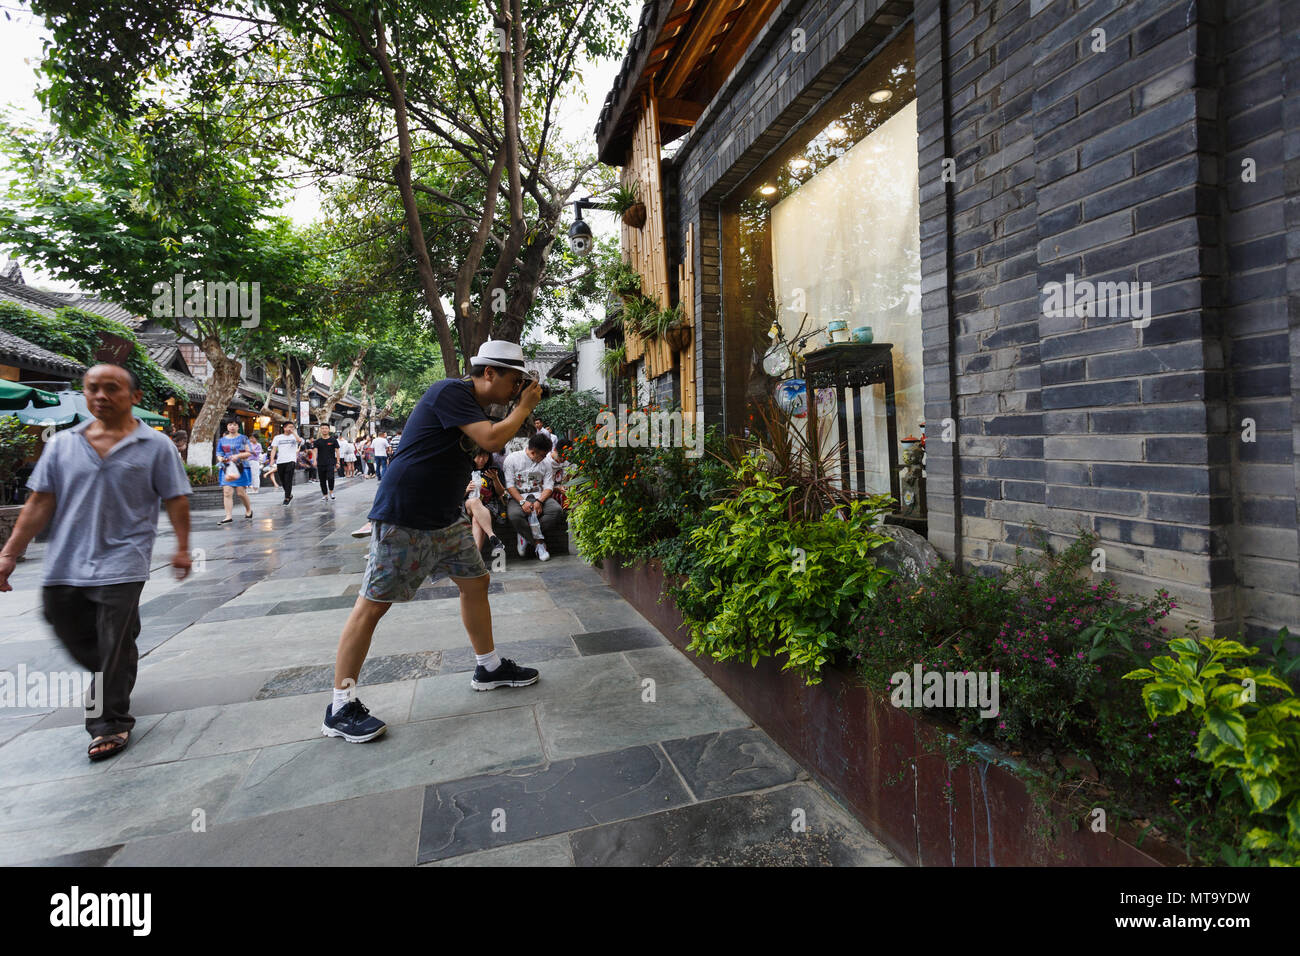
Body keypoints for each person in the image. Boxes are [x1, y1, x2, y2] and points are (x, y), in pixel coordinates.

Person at [322, 340, 544, 743]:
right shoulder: (451, 391)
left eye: (521, 385)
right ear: (489, 372)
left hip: (445, 516)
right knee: (372, 605)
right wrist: (524, 407)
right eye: (514, 380)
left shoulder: (471, 406)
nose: (516, 390)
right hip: (405, 513)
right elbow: (492, 441)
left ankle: (489, 667)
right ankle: (339, 706)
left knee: (477, 583)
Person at [0, 364, 191, 761]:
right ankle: (116, 666)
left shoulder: (156, 447)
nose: (101, 396)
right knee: (66, 624)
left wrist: (182, 547)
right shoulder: (61, 444)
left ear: (135, 396)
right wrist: (9, 553)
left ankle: (109, 721)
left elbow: (175, 498)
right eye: (93, 389)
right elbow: (39, 502)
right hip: (64, 562)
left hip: (125, 561)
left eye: (112, 388)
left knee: (112, 645)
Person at [504, 432, 559, 562]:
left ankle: (524, 534)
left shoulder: (546, 463)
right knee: (515, 515)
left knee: (556, 511)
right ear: (533, 452)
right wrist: (522, 502)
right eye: (543, 455)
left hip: (539, 495)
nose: (545, 457)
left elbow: (549, 486)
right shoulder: (512, 459)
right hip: (518, 497)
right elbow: (510, 486)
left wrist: (540, 501)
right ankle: (539, 543)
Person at [463, 448, 506, 559]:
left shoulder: (493, 470)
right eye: (479, 456)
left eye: (485, 456)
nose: (482, 459)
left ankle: (475, 559)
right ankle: (492, 535)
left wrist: (495, 479)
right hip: (468, 504)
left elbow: (501, 493)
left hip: (489, 505)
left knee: (476, 520)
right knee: (475, 501)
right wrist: (466, 489)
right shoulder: (465, 471)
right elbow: (456, 495)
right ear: (473, 456)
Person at [216, 420, 254, 524]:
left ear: (238, 427)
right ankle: (228, 516)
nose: (232, 427)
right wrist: (221, 459)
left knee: (241, 493)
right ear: (227, 426)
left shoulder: (243, 438)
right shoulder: (222, 440)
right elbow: (219, 453)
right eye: (230, 424)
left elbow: (248, 452)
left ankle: (248, 510)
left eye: (235, 425)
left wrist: (237, 456)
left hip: (241, 467)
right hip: (227, 468)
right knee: (227, 492)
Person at [269, 422, 302, 505]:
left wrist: (294, 432)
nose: (291, 428)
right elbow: (273, 449)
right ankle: (289, 494)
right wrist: (272, 459)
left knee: (288, 479)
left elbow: (299, 440)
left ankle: (287, 498)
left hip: (291, 460)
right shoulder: (277, 437)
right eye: (289, 427)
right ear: (284, 428)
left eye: (293, 427)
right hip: (280, 461)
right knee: (283, 480)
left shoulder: (294, 437)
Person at [313, 423, 340, 501]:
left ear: (328, 429)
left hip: (331, 462)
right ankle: (325, 495)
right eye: (322, 428)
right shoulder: (317, 441)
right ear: (320, 430)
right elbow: (315, 451)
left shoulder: (333, 440)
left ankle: (331, 491)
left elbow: (337, 451)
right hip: (321, 463)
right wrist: (314, 461)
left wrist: (338, 462)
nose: (324, 430)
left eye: (326, 428)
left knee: (331, 477)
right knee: (322, 479)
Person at [549, 437, 573, 510]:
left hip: (563, 490)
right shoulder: (546, 462)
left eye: (566, 457)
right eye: (561, 457)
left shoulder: (567, 463)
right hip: (549, 492)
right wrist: (556, 489)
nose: (563, 460)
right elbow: (541, 485)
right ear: (555, 450)